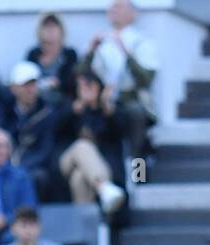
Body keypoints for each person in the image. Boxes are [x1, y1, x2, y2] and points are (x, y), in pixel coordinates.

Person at [80, 0, 159, 158]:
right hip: (102, 98)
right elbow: (80, 74)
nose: (114, 9)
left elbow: (146, 80)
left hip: (129, 99)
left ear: (132, 14)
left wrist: (127, 53)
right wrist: (91, 51)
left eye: (120, 6)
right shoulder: (101, 39)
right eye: (113, 6)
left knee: (136, 115)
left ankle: (137, 168)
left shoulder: (141, 41)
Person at [53, 69, 128, 215]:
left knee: (79, 178)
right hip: (67, 162)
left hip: (98, 166)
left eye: (90, 85)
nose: (86, 89)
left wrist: (106, 107)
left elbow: (122, 131)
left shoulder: (109, 110)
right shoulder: (67, 107)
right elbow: (54, 128)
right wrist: (76, 108)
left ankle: (89, 225)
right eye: (82, 86)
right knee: (82, 145)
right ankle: (104, 187)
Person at [0, 63, 60, 204]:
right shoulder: (2, 112)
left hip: (33, 167)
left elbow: (45, 150)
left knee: (37, 177)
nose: (30, 90)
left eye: (33, 85)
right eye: (25, 85)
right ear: (13, 88)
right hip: (2, 164)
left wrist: (19, 169)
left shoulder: (47, 114)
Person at [29, 11, 79, 106]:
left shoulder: (70, 54)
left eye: (54, 26)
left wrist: (58, 83)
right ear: (39, 31)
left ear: (61, 31)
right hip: (37, 104)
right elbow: (26, 78)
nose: (50, 30)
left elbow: (74, 81)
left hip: (63, 104)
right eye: (46, 26)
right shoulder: (33, 54)